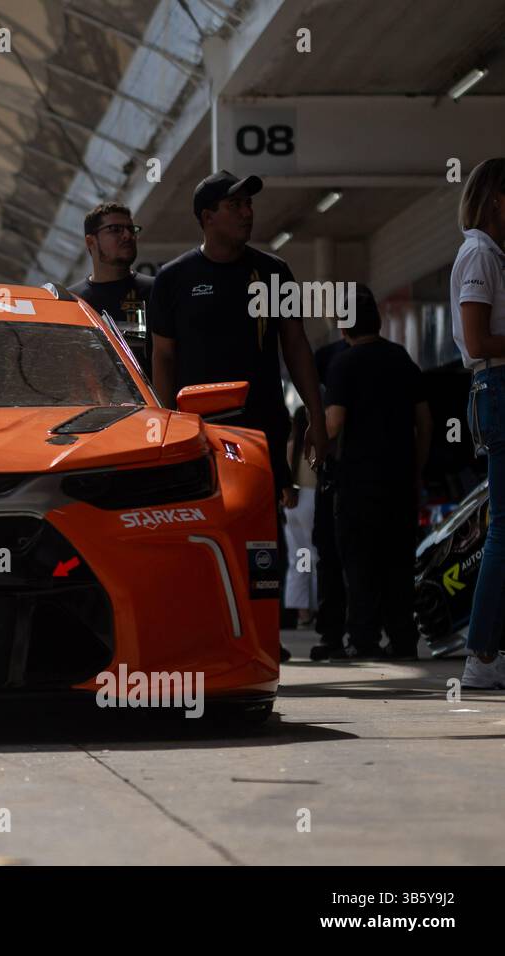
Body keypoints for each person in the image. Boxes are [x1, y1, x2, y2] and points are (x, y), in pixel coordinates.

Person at [149, 170, 329, 662]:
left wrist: (314, 414)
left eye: (248, 203)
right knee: (199, 527)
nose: (248, 211)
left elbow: (296, 346)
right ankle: (202, 630)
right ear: (208, 218)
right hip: (197, 432)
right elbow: (162, 358)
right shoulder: (173, 280)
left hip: (261, 428)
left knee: (263, 534)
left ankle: (262, 632)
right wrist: (164, 426)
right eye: (235, 205)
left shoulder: (273, 273)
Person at [324, 285, 431, 660]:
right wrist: (415, 467)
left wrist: (313, 436)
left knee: (360, 563)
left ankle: (364, 639)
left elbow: (334, 424)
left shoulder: (343, 365)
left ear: (344, 328)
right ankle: (403, 638)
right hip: (400, 482)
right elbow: (424, 420)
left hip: (358, 485)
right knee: (399, 562)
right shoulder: (401, 358)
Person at [450, 158, 505, 688]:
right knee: (503, 531)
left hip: (496, 390)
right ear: (495, 200)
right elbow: (476, 339)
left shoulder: (490, 254)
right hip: (498, 389)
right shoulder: (480, 254)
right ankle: (483, 655)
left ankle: (489, 651)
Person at [69, 202, 154, 377]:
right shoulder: (73, 301)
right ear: (90, 241)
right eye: (115, 229)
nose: (127, 236)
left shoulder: (157, 290)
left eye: (131, 229)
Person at [309, 334, 350, 660]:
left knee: (330, 555)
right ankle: (369, 633)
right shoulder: (397, 359)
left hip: (336, 472)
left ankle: (333, 634)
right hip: (374, 472)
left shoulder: (331, 361)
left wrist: (317, 451)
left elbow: (330, 422)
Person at [283, 406, 318, 627]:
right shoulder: (314, 447)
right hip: (311, 502)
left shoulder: (290, 448)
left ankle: (302, 612)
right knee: (315, 557)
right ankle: (318, 606)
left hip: (292, 504)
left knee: (299, 558)